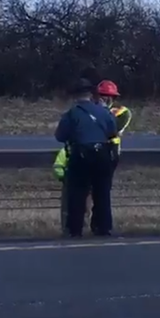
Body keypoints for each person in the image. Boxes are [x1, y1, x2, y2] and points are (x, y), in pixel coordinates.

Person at [54, 78, 118, 237]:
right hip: (102, 153)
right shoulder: (104, 112)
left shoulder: (72, 113)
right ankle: (103, 227)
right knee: (102, 192)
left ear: (75, 96)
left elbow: (60, 136)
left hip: (80, 153)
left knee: (77, 193)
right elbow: (112, 132)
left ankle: (75, 229)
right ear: (91, 95)